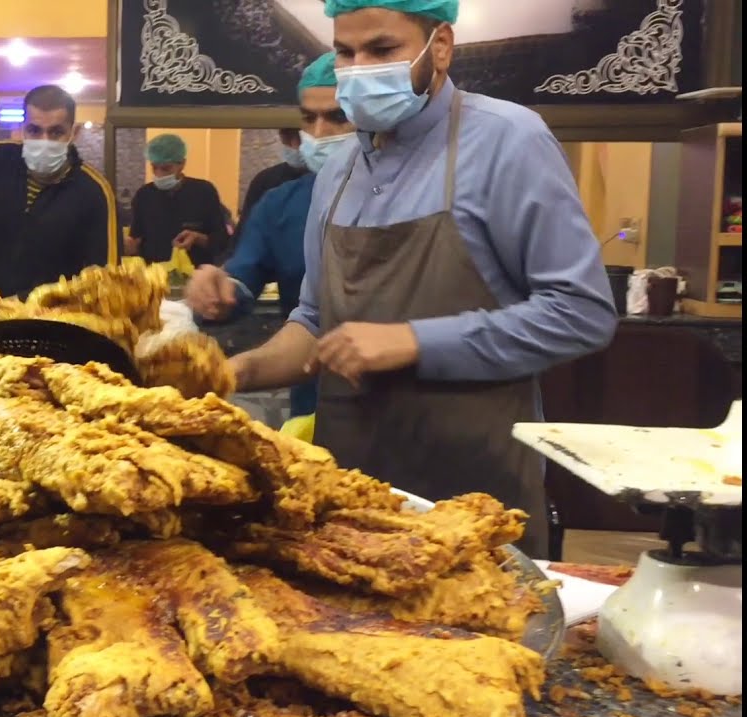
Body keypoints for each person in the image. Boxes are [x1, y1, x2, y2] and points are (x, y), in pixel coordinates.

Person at [227, 0, 618, 558]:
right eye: (345, 52)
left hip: (472, 494)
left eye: (382, 49)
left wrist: (414, 342)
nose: (359, 69)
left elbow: (580, 312)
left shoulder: (508, 140)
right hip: (350, 493)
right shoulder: (339, 170)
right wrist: (237, 372)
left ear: (440, 47)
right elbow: (315, 321)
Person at [184, 52, 355, 419]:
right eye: (308, 118)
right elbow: (244, 276)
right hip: (311, 400)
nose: (319, 133)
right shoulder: (281, 205)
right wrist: (217, 288)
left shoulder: (417, 198)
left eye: (338, 117)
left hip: (408, 407)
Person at [0, 85, 119, 298]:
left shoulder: (93, 191)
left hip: (52, 314)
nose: (44, 140)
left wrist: (30, 299)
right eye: (34, 130)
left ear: (73, 133)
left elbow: (106, 278)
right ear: (22, 129)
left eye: (56, 132)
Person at [127, 134, 230, 268]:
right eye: (154, 167)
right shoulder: (144, 195)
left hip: (196, 274)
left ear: (182, 164)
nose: (159, 174)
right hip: (155, 275)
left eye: (166, 168)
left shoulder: (204, 192)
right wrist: (129, 246)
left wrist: (197, 238)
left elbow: (222, 242)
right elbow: (136, 239)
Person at [235, 128, 308, 247]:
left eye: (300, 139)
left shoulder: (330, 181)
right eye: (287, 139)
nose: (294, 146)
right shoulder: (266, 181)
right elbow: (245, 237)